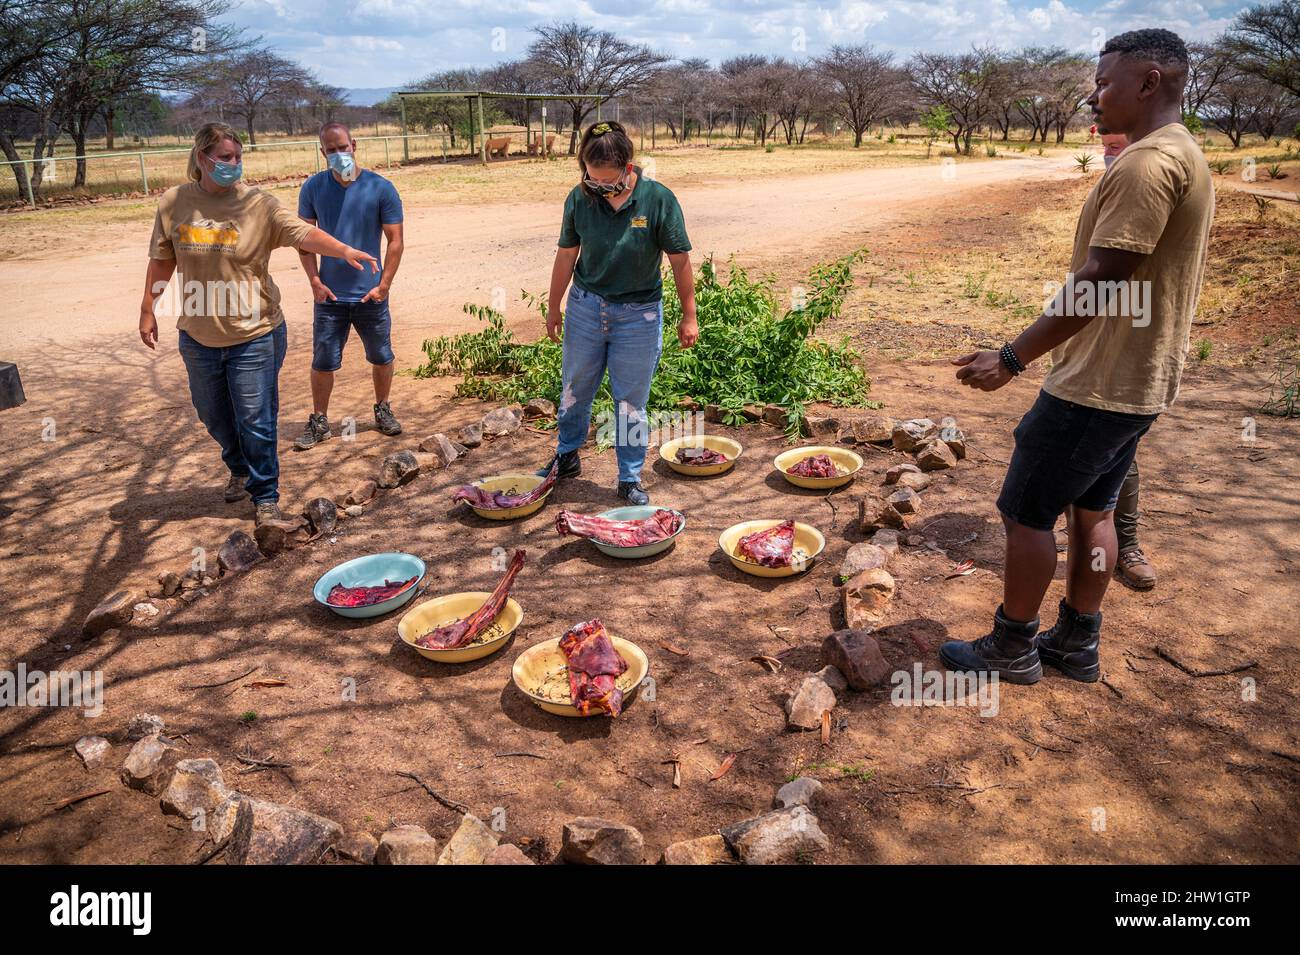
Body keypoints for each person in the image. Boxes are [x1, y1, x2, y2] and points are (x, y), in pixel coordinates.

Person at [941, 29, 1212, 684]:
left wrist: (1011, 356)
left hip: (1095, 384)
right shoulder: (1182, 153)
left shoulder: (1148, 165)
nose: (1095, 94)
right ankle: (1077, 641)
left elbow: (1100, 278)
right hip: (1135, 384)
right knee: (1094, 510)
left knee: (1025, 511)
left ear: (1149, 81)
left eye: (1105, 82)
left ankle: (1013, 645)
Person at [138, 122, 378, 526]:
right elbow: (163, 260)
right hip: (198, 334)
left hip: (256, 333)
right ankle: (240, 468)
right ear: (202, 158)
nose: (234, 165)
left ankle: (265, 497)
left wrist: (343, 250)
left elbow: (303, 233)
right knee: (211, 413)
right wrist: (148, 307)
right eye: (225, 158)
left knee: (256, 418)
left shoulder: (258, 205)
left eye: (238, 157)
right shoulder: (174, 202)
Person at [535, 121, 698, 504]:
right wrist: (553, 306)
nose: (600, 188)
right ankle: (567, 455)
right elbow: (566, 254)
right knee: (575, 390)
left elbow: (680, 260)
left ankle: (628, 477)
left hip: (638, 316)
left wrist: (688, 315)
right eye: (593, 180)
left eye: (608, 182)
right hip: (586, 309)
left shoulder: (658, 199)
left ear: (629, 167)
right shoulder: (579, 198)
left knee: (630, 402)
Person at [294, 122, 406, 449]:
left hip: (371, 295)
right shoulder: (313, 188)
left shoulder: (380, 188)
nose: (338, 154)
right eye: (331, 150)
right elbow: (303, 240)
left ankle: (383, 409)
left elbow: (395, 241)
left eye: (343, 147)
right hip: (329, 295)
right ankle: (319, 421)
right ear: (322, 152)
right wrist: (314, 281)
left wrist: (384, 285)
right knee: (323, 360)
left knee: (381, 355)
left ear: (354, 145)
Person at [1099, 129, 1158, 590]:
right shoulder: (1117, 170)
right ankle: (1092, 534)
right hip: (1099, 333)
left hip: (1138, 336)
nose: (1101, 132)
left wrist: (1014, 357)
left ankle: (1126, 543)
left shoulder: (1152, 167)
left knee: (1121, 443)